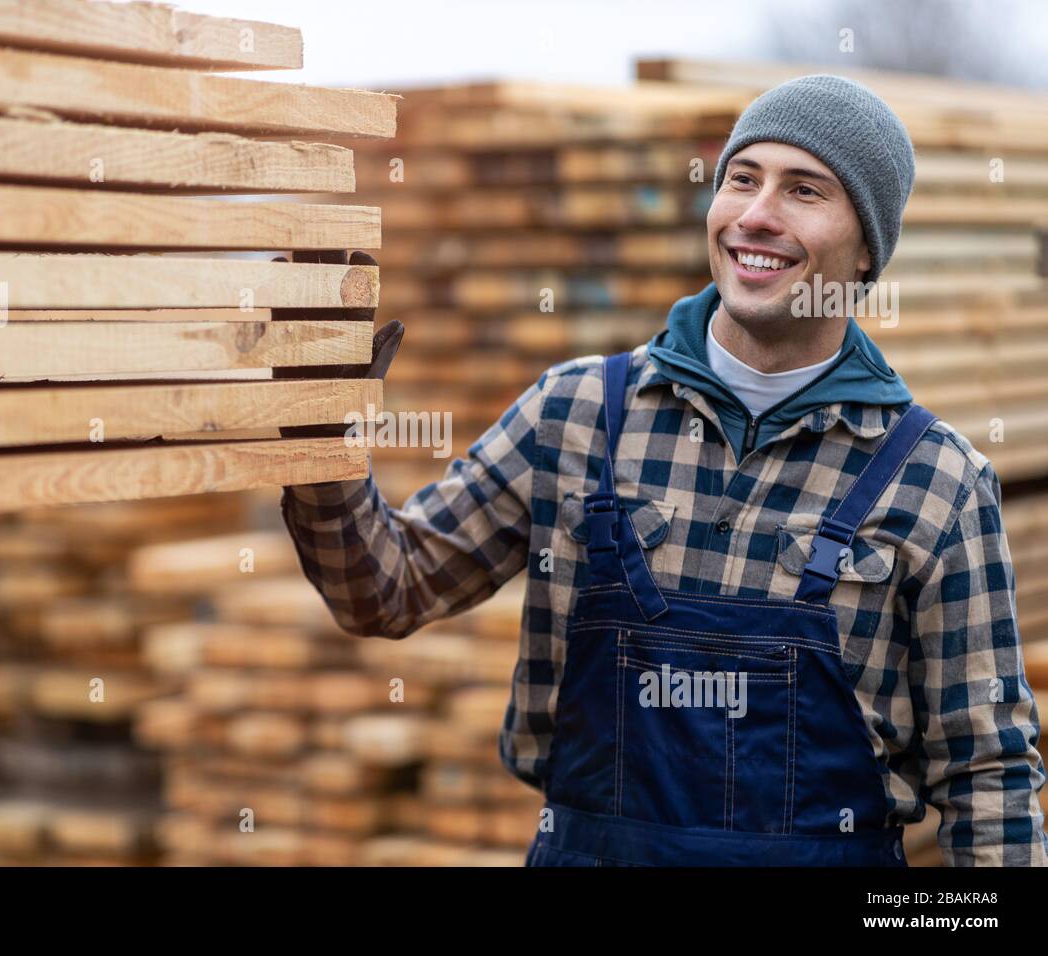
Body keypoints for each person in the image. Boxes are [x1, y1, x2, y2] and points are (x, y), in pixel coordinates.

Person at [277, 75, 1048, 866]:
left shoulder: (934, 480)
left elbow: (988, 775)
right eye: (741, 179)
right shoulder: (576, 412)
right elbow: (386, 589)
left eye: (804, 190)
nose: (756, 214)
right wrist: (319, 433)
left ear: (864, 253)